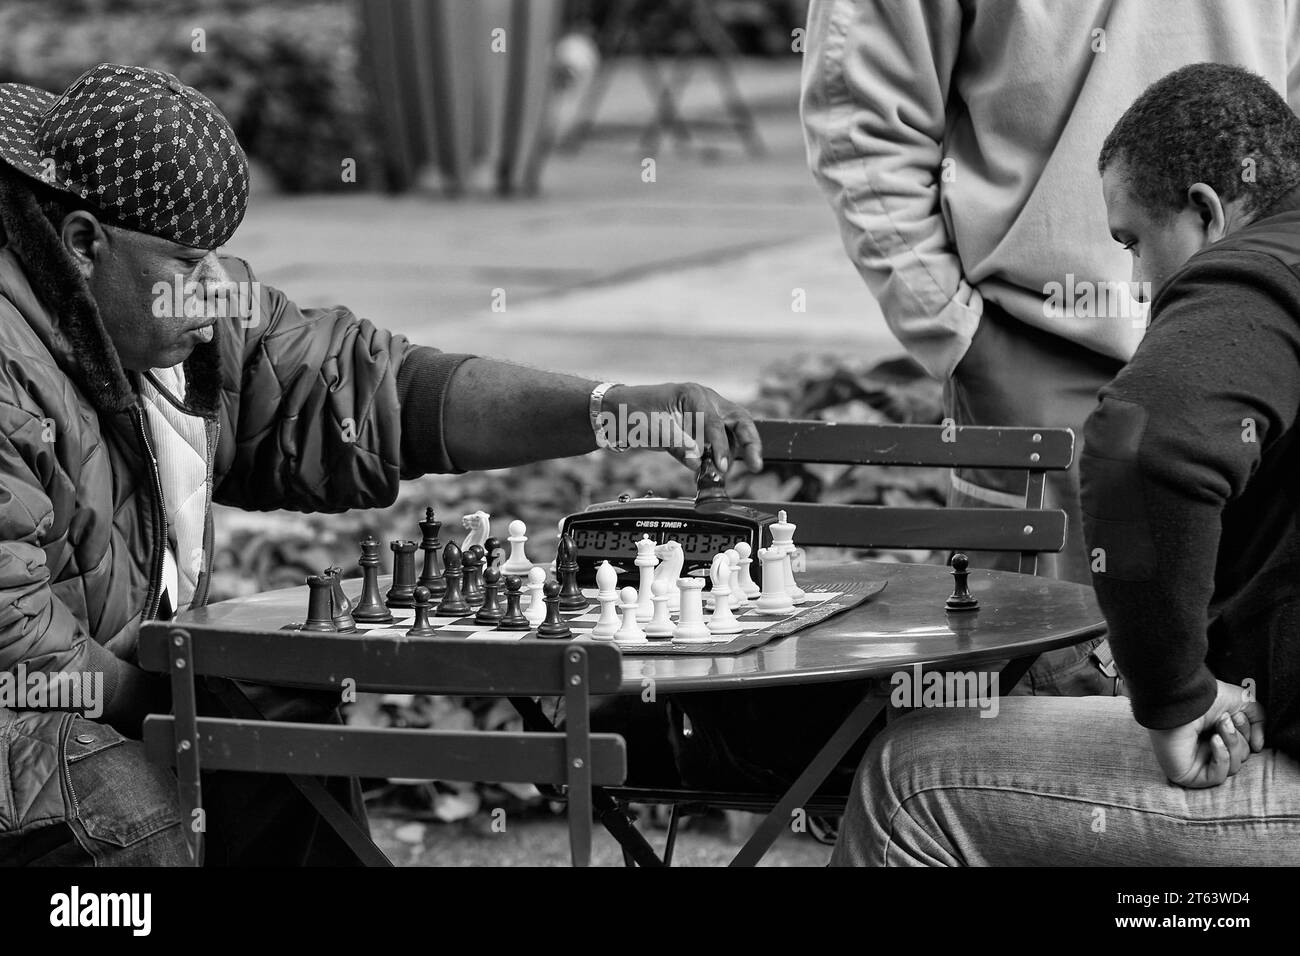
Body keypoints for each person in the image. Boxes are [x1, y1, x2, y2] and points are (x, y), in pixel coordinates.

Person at [0, 64, 762, 866]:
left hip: (116, 683)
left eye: (220, 259)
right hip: (28, 706)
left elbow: (376, 392)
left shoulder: (189, 316)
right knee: (128, 811)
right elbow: (19, 642)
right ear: (83, 243)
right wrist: (175, 699)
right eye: (187, 263)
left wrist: (614, 406)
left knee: (278, 727)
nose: (215, 290)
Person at [832, 63, 1300, 866]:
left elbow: (1138, 447)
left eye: (1133, 244)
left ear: (1205, 210)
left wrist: (1174, 700)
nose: (1136, 284)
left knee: (908, 779)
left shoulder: (1251, 273)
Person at [800, 0, 1300, 695]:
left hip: (1258, 344)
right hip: (1039, 358)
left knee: (1246, 702)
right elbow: (858, 109)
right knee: (1045, 699)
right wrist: (957, 330)